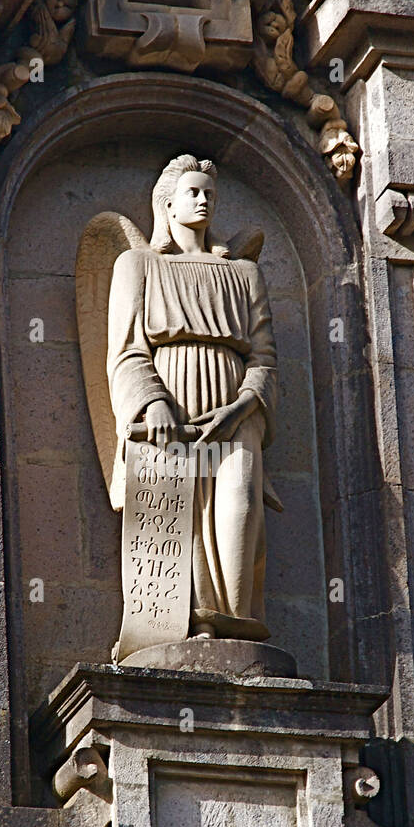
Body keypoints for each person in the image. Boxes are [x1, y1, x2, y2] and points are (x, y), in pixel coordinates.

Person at [106, 155, 277, 640]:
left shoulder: (244, 274)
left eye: (210, 194)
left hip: (237, 407)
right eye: (193, 192)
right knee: (180, 509)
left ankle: (236, 621)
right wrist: (152, 402)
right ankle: (182, 625)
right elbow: (124, 351)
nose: (203, 200)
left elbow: (264, 358)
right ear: (167, 203)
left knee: (240, 503)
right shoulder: (137, 265)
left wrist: (246, 403)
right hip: (170, 402)